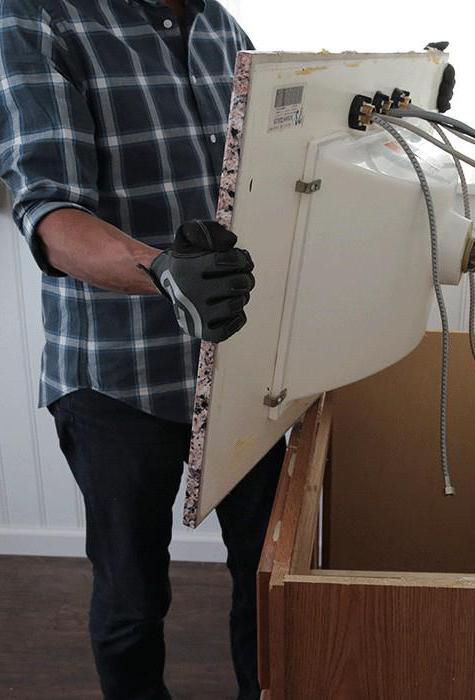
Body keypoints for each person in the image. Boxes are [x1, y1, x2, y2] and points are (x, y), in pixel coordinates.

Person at [0, 1, 284, 698]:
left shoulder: (221, 25)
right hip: (116, 376)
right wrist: (162, 270)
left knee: (269, 580)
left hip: (243, 365)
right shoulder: (38, 16)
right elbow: (49, 211)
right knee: (132, 599)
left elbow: (274, 169)